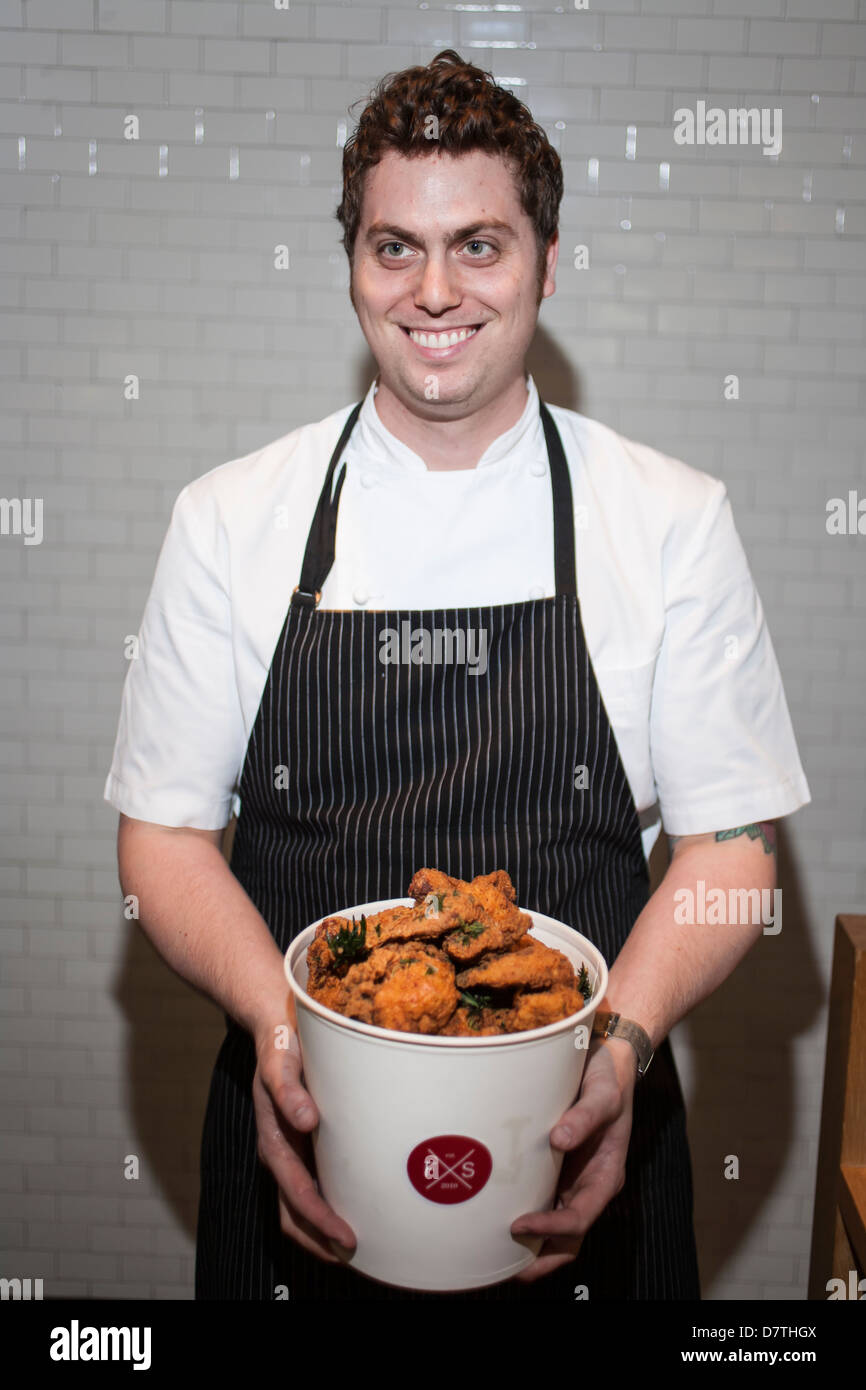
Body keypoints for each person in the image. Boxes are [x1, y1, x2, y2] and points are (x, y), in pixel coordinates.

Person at [105, 50, 811, 1301]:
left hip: (583, 1138)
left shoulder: (666, 518)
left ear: (548, 260)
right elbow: (162, 837)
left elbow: (734, 848)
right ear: (352, 266)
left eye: (478, 245)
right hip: (298, 1133)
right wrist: (279, 1033)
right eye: (393, 248)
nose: (434, 289)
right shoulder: (229, 519)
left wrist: (618, 1046)